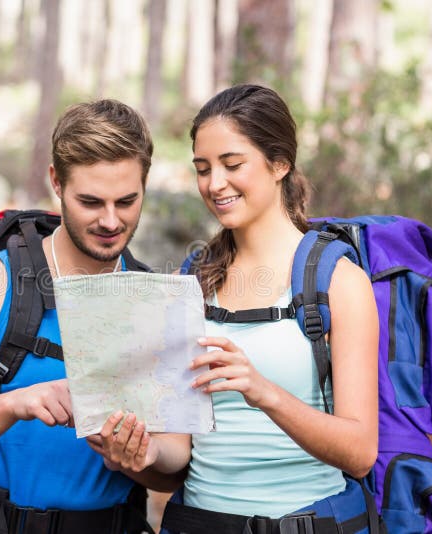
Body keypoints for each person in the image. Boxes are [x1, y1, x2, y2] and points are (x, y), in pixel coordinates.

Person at [92, 85, 380, 534]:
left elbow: (360, 452)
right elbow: (179, 452)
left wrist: (263, 392)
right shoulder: (192, 281)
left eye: (232, 164)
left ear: (280, 163)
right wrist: (142, 455)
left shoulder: (338, 281)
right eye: (203, 169)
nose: (214, 184)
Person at [0, 99, 187, 534]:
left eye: (128, 201)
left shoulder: (157, 302)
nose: (111, 221)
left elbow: (171, 472)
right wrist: (13, 403)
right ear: (56, 181)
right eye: (91, 201)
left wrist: (140, 457)